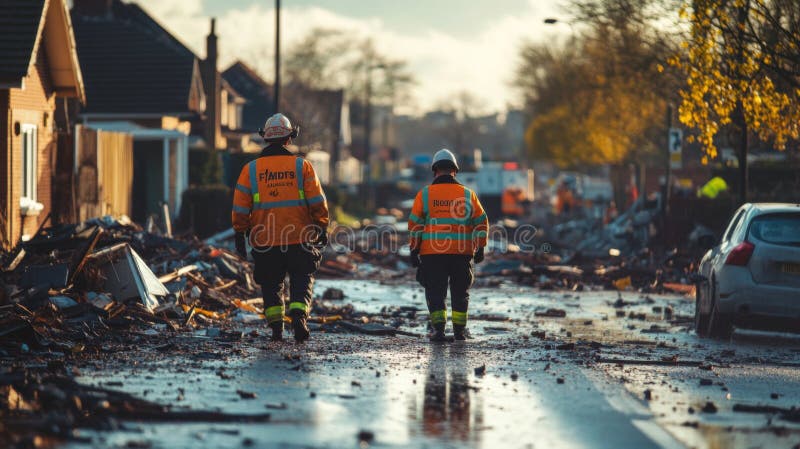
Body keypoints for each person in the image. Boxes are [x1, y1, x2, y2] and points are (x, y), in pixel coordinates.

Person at [231, 113, 329, 342]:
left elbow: (241, 205)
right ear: (289, 138)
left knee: (270, 283)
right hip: (300, 236)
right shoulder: (302, 166)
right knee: (301, 278)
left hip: (265, 239)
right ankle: (299, 317)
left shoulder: (251, 170)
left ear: (265, 138)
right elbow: (317, 201)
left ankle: (276, 327)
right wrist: (322, 225)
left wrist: (239, 231)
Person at [408, 149, 489, 342]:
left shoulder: (425, 195)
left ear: (435, 170)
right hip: (462, 253)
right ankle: (460, 332)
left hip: (432, 254)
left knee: (435, 291)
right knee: (460, 292)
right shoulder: (468, 195)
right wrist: (481, 246)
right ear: (455, 171)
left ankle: (439, 331)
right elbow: (481, 221)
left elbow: (415, 224)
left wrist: (414, 249)